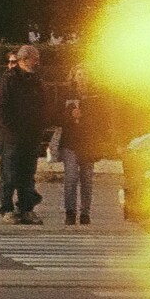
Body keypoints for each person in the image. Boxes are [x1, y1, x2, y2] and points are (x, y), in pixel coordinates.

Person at [0, 44, 48, 225]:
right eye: (34, 59)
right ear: (24, 60)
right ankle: (7, 209)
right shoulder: (9, 79)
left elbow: (43, 104)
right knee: (9, 174)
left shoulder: (36, 80)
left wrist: (40, 125)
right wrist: (11, 128)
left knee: (27, 174)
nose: (37, 63)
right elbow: (0, 108)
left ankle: (26, 208)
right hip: (13, 136)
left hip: (31, 135)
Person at [52, 68, 96, 227]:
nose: (82, 78)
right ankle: (70, 212)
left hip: (88, 142)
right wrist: (70, 115)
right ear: (74, 77)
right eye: (79, 75)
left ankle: (85, 213)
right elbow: (56, 116)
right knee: (71, 178)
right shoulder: (66, 95)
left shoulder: (95, 96)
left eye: (85, 74)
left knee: (87, 179)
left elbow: (100, 118)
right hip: (70, 141)